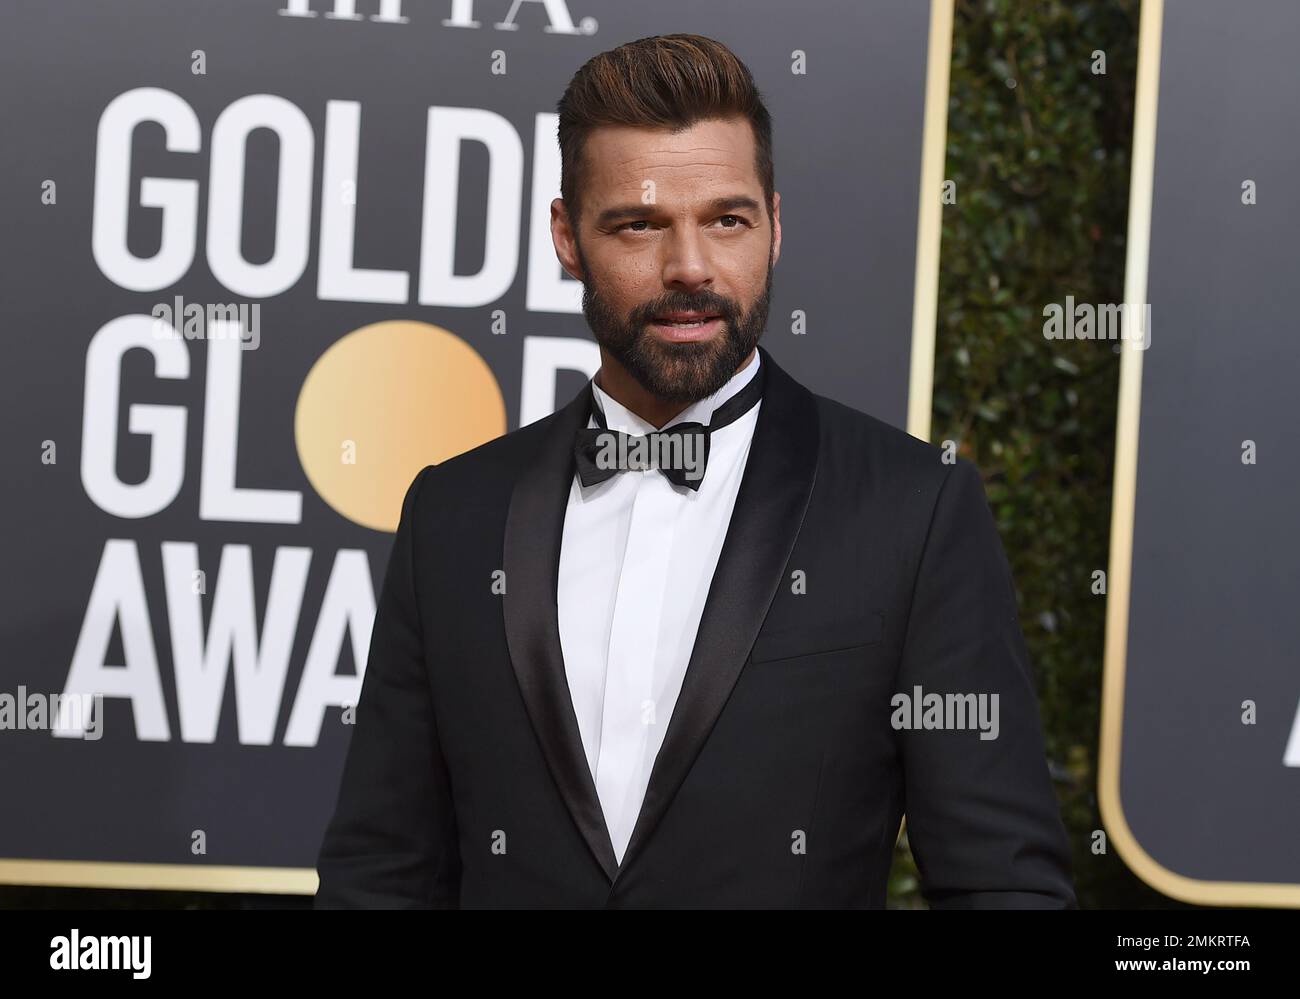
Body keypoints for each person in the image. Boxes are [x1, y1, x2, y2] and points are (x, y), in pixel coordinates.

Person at [314, 33, 1077, 909]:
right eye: (639, 224)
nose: (690, 268)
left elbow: (1000, 885)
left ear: (776, 226)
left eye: (727, 219)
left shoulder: (914, 511)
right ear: (567, 237)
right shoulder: (453, 515)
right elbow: (381, 873)